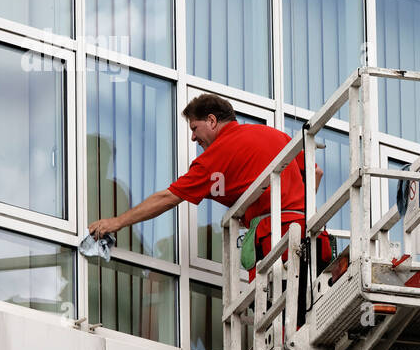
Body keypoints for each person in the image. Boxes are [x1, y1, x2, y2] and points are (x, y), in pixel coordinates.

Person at [87, 92, 311, 281]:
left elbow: (168, 197)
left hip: (274, 241)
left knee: (278, 320)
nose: (193, 137)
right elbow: (315, 173)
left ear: (212, 121)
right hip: (307, 235)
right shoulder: (275, 135)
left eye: (194, 128)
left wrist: (115, 223)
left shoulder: (218, 154)